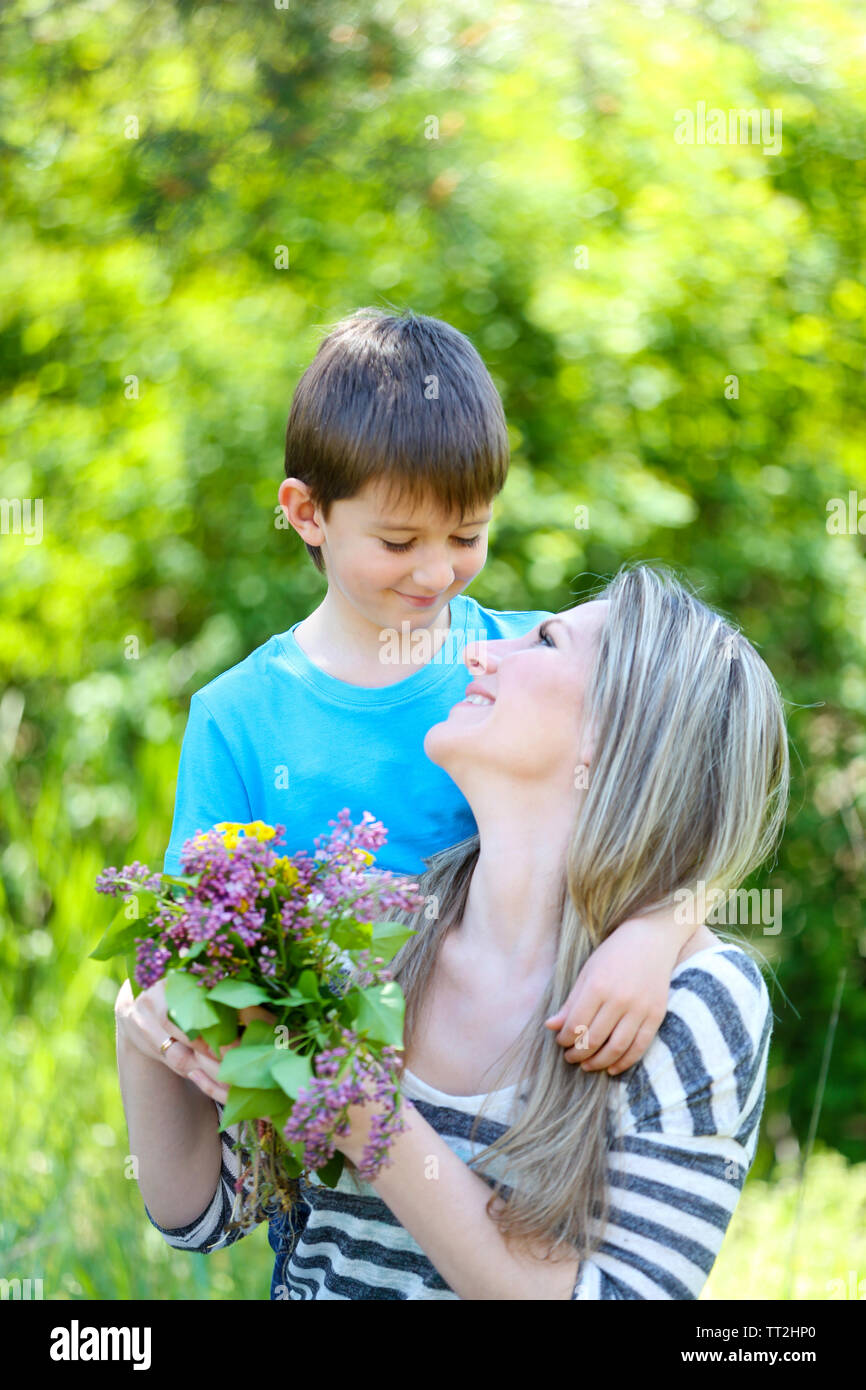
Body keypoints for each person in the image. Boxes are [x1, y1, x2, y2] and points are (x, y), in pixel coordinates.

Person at [121, 563, 788, 1299]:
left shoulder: (686, 998)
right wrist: (140, 1021)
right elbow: (211, 1214)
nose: (477, 651)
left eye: (547, 641)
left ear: (626, 733)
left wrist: (369, 1121)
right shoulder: (372, 931)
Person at [156, 306, 705, 1079]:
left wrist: (656, 932)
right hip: (334, 1121)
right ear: (306, 513)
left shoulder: (538, 664)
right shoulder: (240, 717)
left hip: (520, 1089)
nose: (436, 573)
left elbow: (697, 815)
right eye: (398, 542)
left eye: (467, 536)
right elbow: (198, 939)